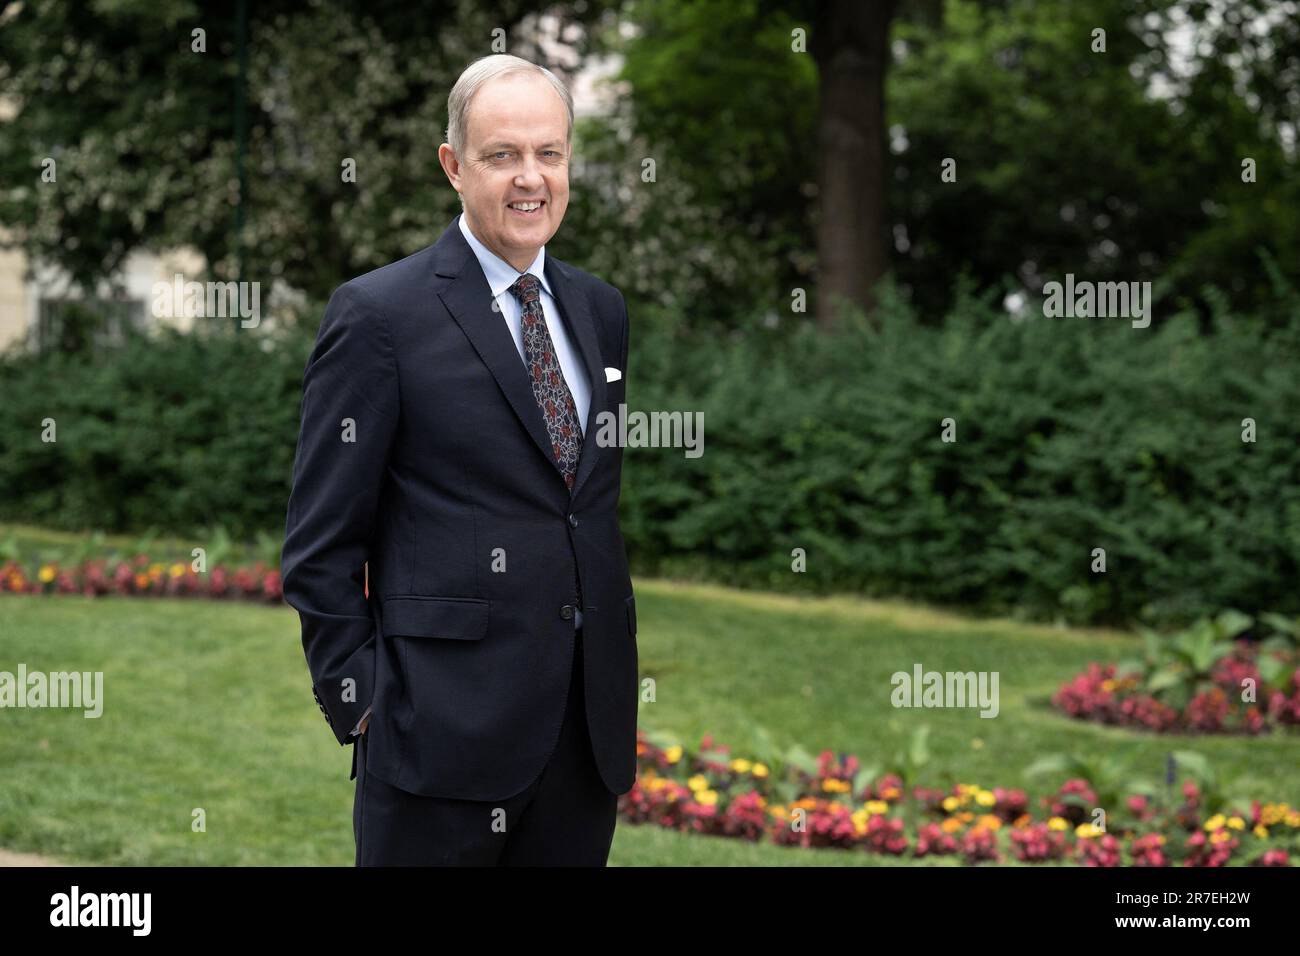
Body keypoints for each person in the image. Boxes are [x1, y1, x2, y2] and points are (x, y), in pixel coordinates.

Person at [281, 53, 638, 866]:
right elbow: (320, 542)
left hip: (584, 739)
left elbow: (581, 504)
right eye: (502, 155)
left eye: (549, 154)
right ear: (453, 166)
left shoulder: (600, 310)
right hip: (435, 744)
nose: (530, 179)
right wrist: (363, 701)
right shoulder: (378, 316)